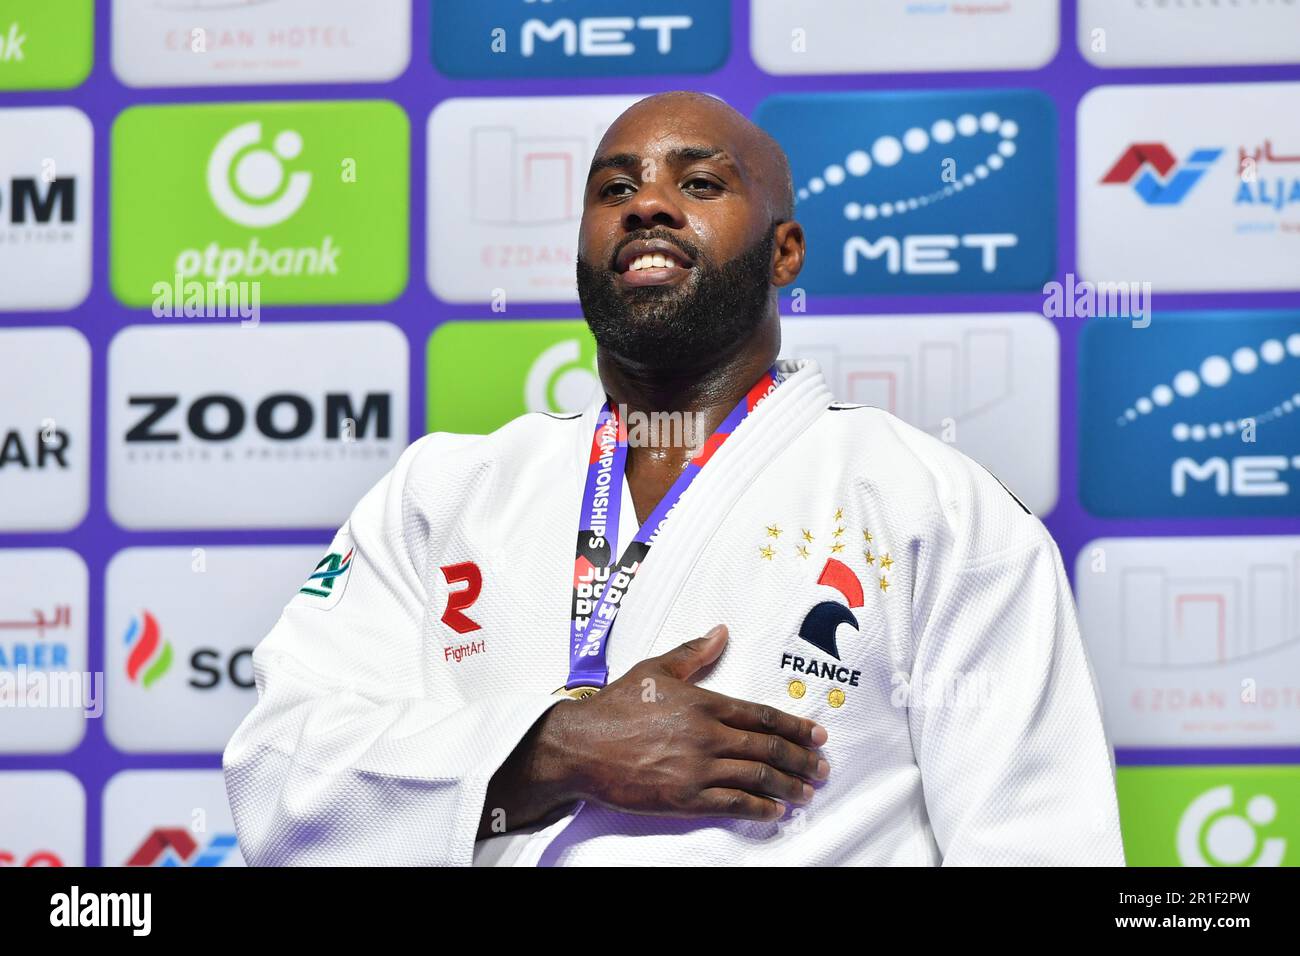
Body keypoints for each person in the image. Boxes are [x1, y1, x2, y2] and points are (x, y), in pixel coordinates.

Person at [223, 91, 1125, 866]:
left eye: (698, 183)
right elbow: (278, 777)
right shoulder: (446, 491)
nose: (646, 205)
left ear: (785, 252)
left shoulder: (931, 507)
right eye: (615, 188)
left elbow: (1038, 841)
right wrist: (551, 751)